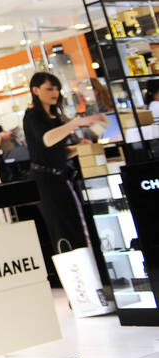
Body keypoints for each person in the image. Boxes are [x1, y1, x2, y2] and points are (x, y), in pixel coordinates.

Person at [22, 72, 110, 289]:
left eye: (56, 89)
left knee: (76, 229)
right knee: (63, 232)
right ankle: (79, 290)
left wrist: (79, 148)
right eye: (49, 89)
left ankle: (91, 286)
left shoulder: (53, 116)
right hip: (45, 182)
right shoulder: (33, 116)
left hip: (61, 179)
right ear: (36, 90)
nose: (54, 93)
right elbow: (48, 139)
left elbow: (57, 150)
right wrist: (77, 123)